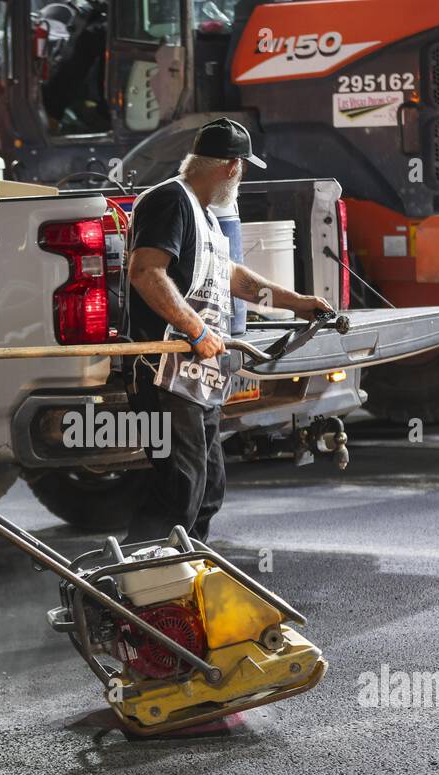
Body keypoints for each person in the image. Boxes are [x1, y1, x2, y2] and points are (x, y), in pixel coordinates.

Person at [122, 118, 332, 542]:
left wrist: (298, 303)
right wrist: (197, 331)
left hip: (197, 374)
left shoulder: (207, 218)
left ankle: (186, 574)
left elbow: (232, 277)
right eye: (244, 168)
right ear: (232, 167)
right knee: (179, 487)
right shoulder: (170, 200)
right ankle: (138, 583)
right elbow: (145, 272)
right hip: (163, 373)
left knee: (208, 488)